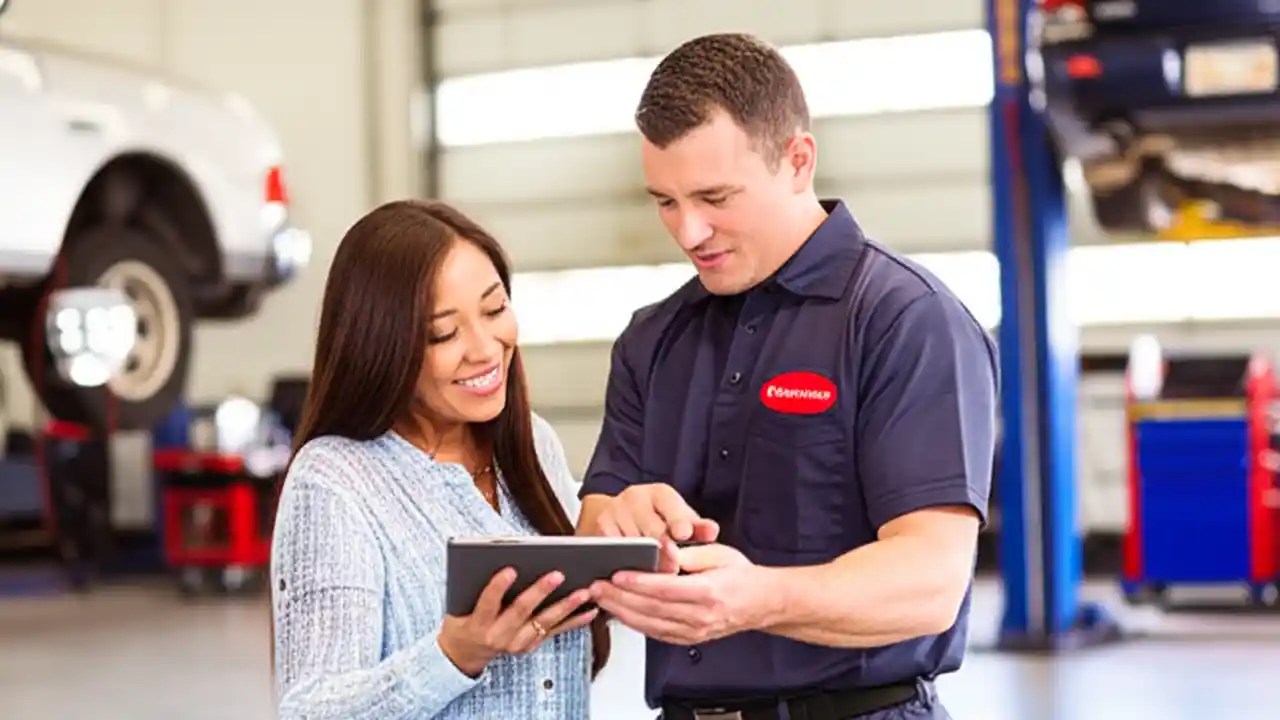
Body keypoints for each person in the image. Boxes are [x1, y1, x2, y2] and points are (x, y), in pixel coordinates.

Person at [577, 33, 998, 720]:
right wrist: (619, 521)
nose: (688, 232)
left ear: (798, 160)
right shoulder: (652, 340)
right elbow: (597, 517)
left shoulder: (904, 321)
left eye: (714, 196)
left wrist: (757, 599)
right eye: (665, 201)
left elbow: (930, 581)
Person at [270, 199, 609, 719]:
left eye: (494, 310)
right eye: (444, 333)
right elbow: (311, 712)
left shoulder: (533, 442)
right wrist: (453, 655)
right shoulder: (334, 480)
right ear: (381, 348)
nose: (485, 349)